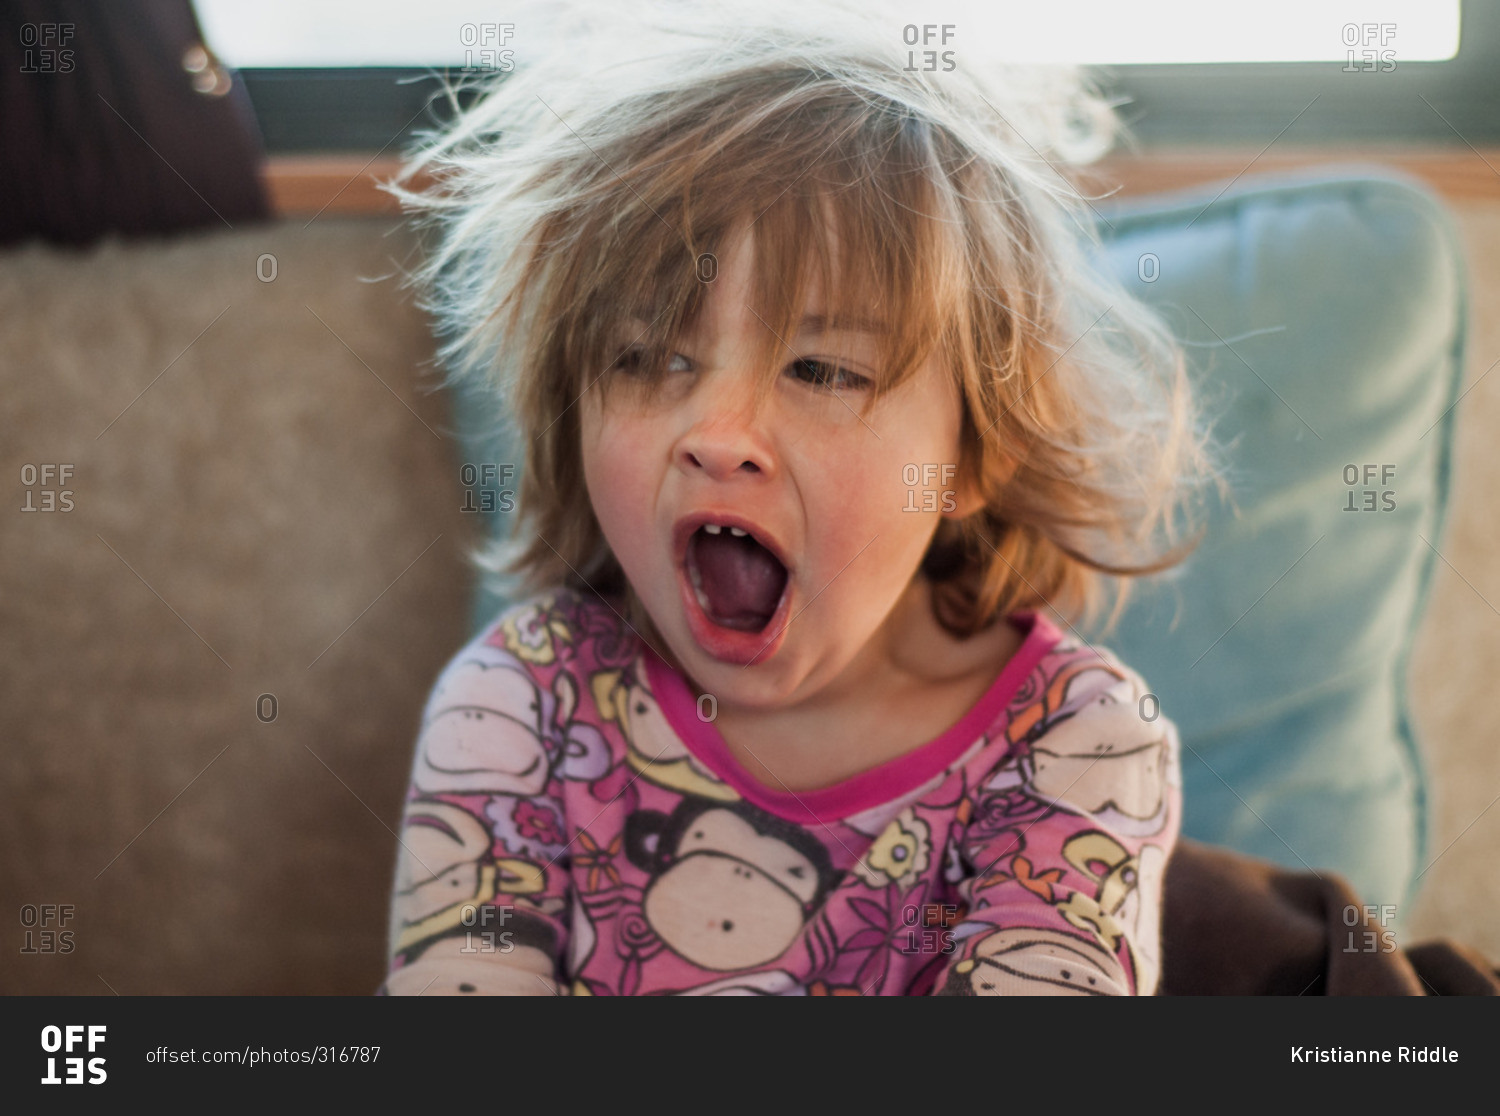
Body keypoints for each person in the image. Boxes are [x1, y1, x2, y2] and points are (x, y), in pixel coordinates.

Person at [379, 0, 1221, 996]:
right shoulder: (518, 709)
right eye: (648, 358)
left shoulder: (1079, 744)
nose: (719, 436)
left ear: (971, 455)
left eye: (821, 370)